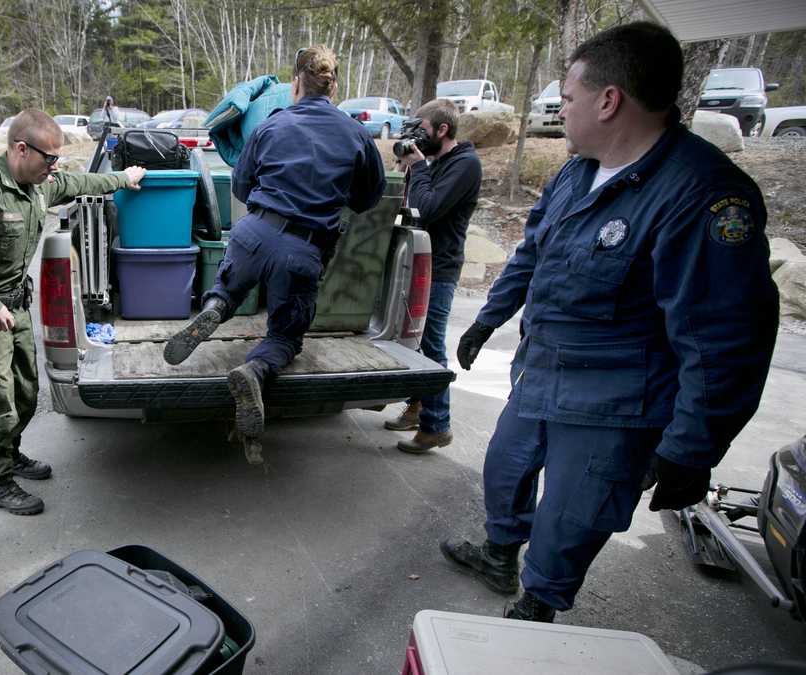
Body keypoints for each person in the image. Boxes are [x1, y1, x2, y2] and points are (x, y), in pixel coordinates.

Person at [442, 22, 780, 623]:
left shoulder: (701, 195)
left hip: (614, 404)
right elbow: (532, 256)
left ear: (608, 100)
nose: (560, 111)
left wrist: (690, 450)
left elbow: (726, 343)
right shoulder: (578, 170)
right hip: (542, 372)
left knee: (571, 519)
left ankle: (536, 609)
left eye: (567, 98)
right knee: (505, 470)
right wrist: (486, 320)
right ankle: (498, 555)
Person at [162, 45, 385, 438]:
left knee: (229, 289)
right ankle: (255, 369)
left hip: (253, 232)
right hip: (302, 247)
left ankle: (215, 307)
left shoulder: (270, 125)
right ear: (333, 88)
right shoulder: (356, 134)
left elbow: (243, 185)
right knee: (284, 335)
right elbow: (367, 199)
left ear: (296, 84)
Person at [0, 109, 145, 516]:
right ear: (21, 148)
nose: (54, 167)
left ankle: (11, 455)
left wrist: (124, 179)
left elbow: (78, 182)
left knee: (27, 393)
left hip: (17, 307)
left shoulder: (39, 185)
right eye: (48, 158)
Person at [386, 99, 482, 453]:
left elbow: (426, 210)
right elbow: (407, 206)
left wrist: (419, 167)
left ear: (443, 130)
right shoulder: (433, 163)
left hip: (439, 268)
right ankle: (417, 405)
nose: (417, 138)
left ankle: (437, 425)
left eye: (422, 130)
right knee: (411, 342)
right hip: (414, 260)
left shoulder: (466, 164)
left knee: (431, 346)